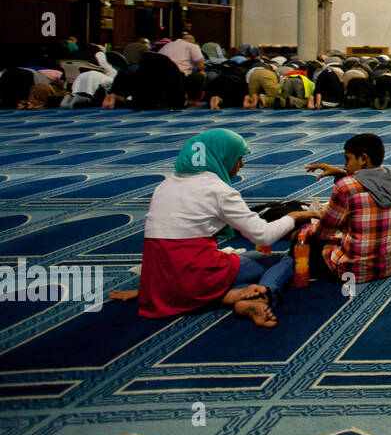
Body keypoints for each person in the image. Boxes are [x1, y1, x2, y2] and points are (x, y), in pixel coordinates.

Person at [109, 130, 319, 327]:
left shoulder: (164, 185)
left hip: (158, 281)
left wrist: (148, 288)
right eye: (238, 158)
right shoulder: (218, 190)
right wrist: (294, 216)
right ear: (223, 157)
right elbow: (263, 236)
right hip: (195, 275)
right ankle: (263, 295)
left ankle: (228, 294)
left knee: (239, 257)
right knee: (285, 260)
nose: (242, 165)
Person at [299, 134, 391, 284]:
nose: (345, 166)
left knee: (301, 245)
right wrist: (341, 175)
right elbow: (368, 185)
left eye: (348, 159)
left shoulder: (345, 187)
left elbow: (323, 232)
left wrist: (303, 229)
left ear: (363, 159)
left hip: (354, 270)